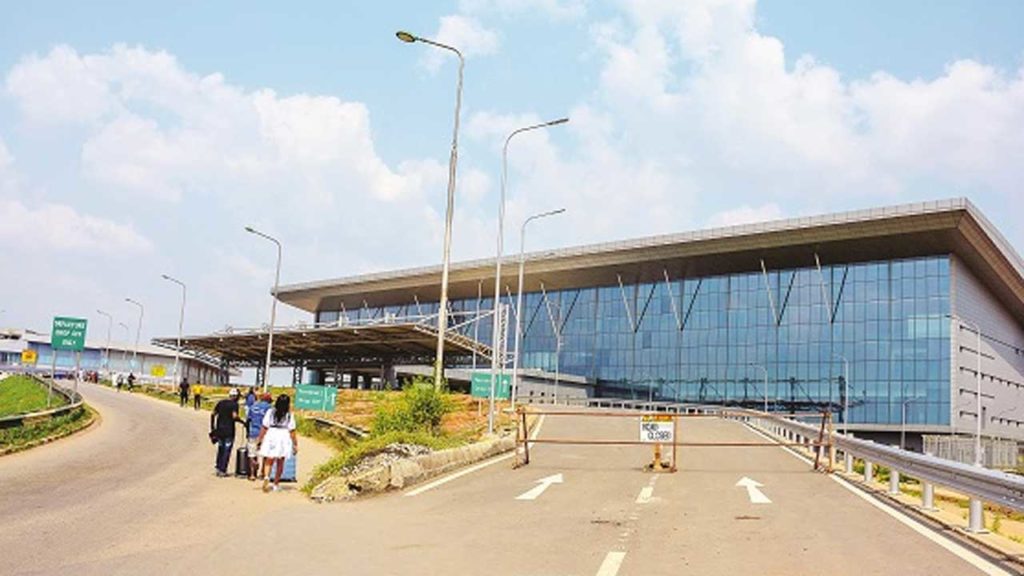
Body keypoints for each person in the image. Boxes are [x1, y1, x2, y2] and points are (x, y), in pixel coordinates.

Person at [256, 394, 298, 493]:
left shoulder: (270, 412)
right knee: (280, 461)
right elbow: (292, 430)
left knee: (269, 460)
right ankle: (276, 483)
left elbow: (264, 426)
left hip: (272, 434)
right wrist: (295, 444)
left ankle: (266, 476)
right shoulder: (288, 415)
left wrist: (260, 439)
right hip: (283, 435)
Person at [210, 388, 244, 477]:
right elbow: (234, 416)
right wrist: (243, 422)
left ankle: (218, 467)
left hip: (219, 430)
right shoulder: (234, 405)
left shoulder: (221, 403)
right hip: (229, 430)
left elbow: (213, 414)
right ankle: (223, 470)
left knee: (220, 449)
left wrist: (213, 428)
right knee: (226, 450)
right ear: (236, 396)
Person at [246, 393, 273, 481]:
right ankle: (262, 473)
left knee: (252, 453)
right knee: (265, 454)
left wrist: (247, 432)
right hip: (265, 433)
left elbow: (248, 420)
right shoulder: (270, 408)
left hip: (253, 432)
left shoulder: (253, 406)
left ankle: (252, 474)